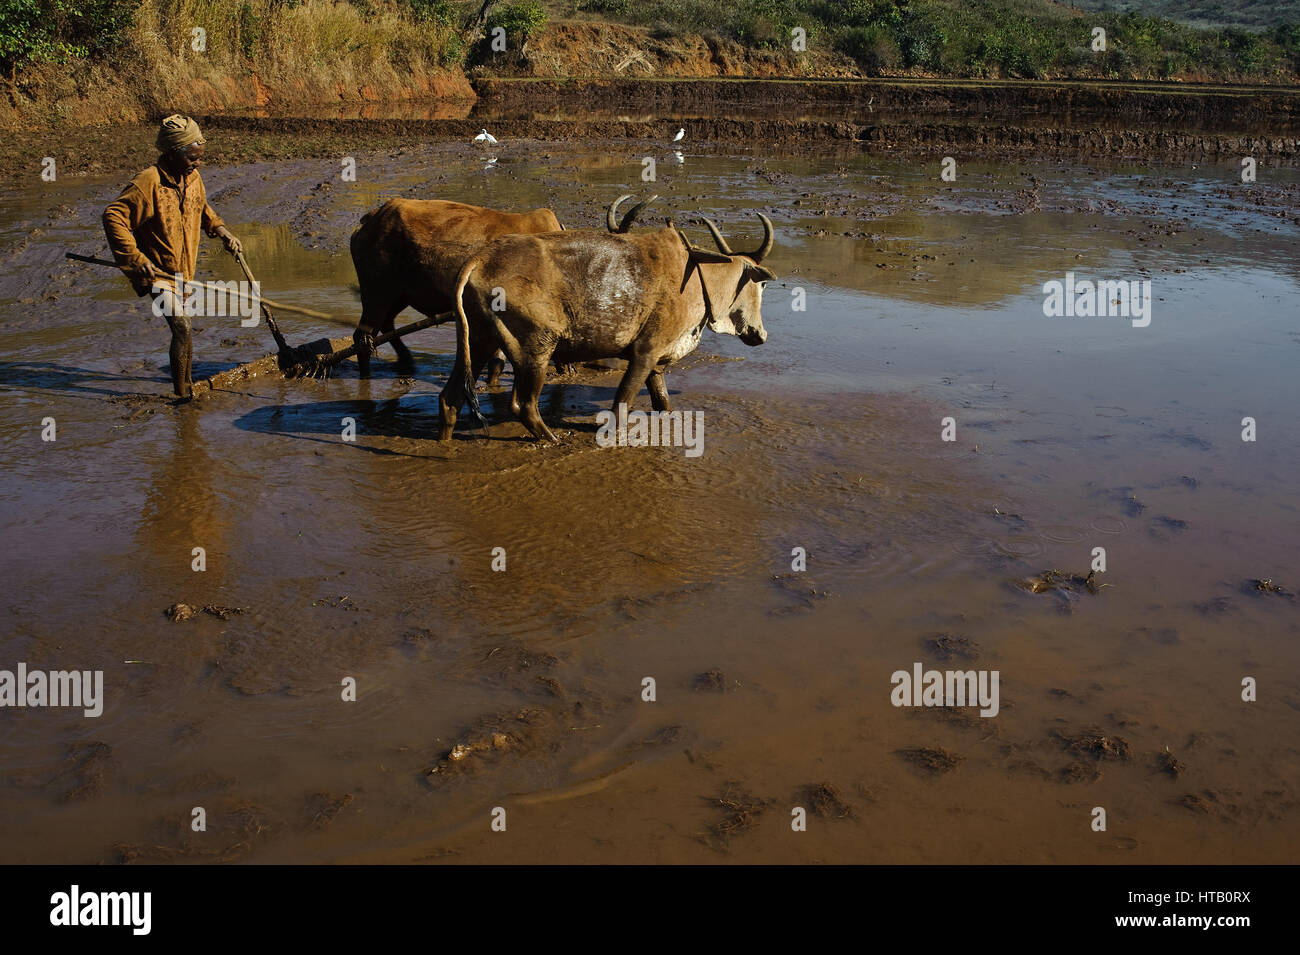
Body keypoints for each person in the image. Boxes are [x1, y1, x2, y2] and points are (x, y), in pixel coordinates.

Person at [103, 114, 243, 400]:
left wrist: (223, 231)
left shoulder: (192, 178)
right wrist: (135, 258)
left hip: (183, 272)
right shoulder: (148, 182)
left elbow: (202, 207)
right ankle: (181, 394)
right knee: (181, 326)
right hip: (157, 272)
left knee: (185, 331)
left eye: (200, 157)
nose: (197, 162)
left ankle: (188, 383)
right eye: (192, 157)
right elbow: (113, 216)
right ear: (171, 153)